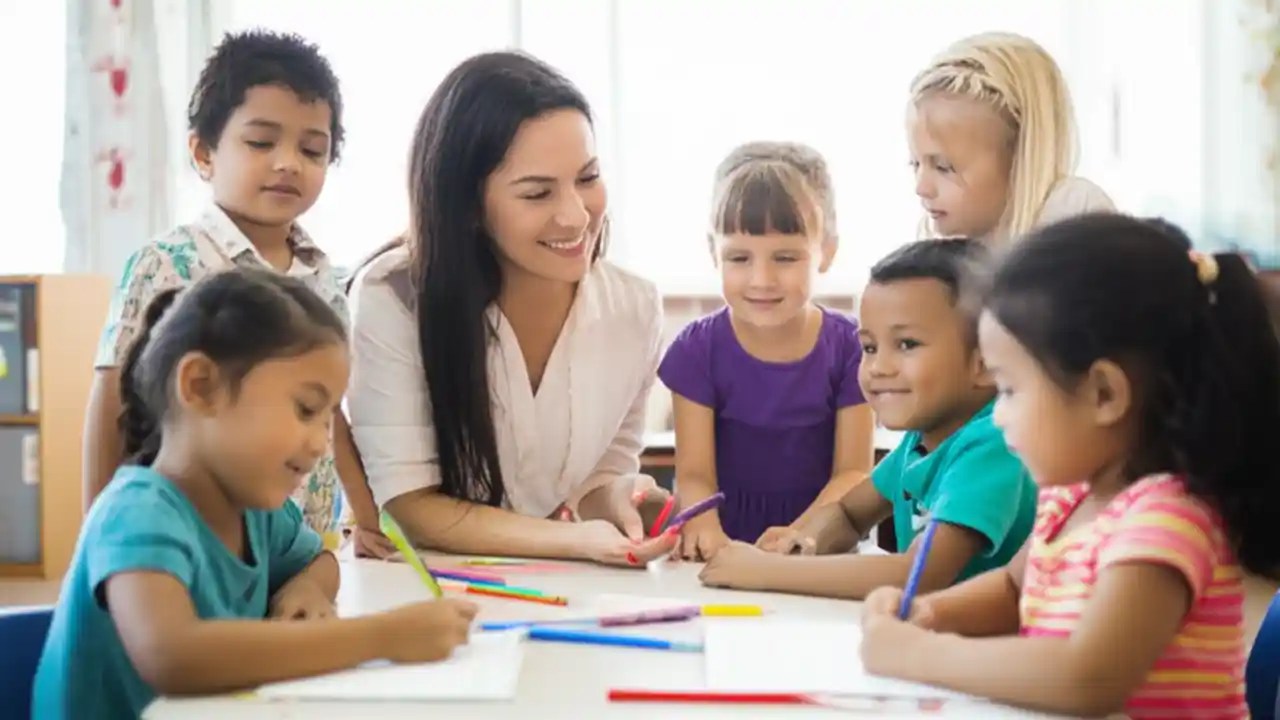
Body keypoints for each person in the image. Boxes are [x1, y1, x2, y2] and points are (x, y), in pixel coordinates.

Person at [860, 214, 1280, 718]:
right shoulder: (1072, 497)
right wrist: (928, 614)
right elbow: (1015, 588)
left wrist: (920, 655)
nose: (999, 415)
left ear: (1103, 394)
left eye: (1011, 390)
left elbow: (1089, 677)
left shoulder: (1165, 520)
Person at [34, 270, 477, 720]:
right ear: (200, 386)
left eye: (326, 419)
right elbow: (172, 655)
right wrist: (382, 637)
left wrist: (303, 590)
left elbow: (318, 561)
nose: (321, 444)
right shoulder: (138, 512)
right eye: (306, 409)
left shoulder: (256, 511)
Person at [344, 51, 675, 567]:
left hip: (559, 587)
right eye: (538, 193)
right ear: (468, 205)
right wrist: (576, 541)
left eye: (587, 178)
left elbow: (597, 480)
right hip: (425, 589)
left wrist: (619, 502)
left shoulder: (635, 308)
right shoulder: (392, 296)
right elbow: (411, 504)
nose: (574, 216)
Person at [81, 30, 388, 554]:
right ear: (203, 153)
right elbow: (111, 403)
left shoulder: (325, 283)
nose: (288, 162)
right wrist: (102, 539)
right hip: (184, 547)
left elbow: (329, 411)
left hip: (302, 553)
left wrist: (366, 517)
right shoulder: (166, 265)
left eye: (313, 149)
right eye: (261, 142)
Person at [699, 239, 1035, 596]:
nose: (878, 367)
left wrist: (768, 572)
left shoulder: (995, 444)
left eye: (906, 344)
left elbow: (917, 576)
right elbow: (848, 513)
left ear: (986, 362)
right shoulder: (922, 441)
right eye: (870, 347)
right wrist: (801, 543)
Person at [657, 142, 874, 560]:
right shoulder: (697, 349)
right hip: (723, 548)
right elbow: (695, 473)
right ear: (712, 252)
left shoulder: (851, 347)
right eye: (739, 257)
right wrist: (703, 525)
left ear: (825, 252)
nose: (761, 279)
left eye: (786, 257)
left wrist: (800, 535)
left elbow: (852, 471)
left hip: (821, 548)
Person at [908, 31, 1114, 245]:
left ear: (1019, 155)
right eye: (915, 164)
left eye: (943, 167)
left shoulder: (1074, 211)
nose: (921, 188)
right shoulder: (939, 256)